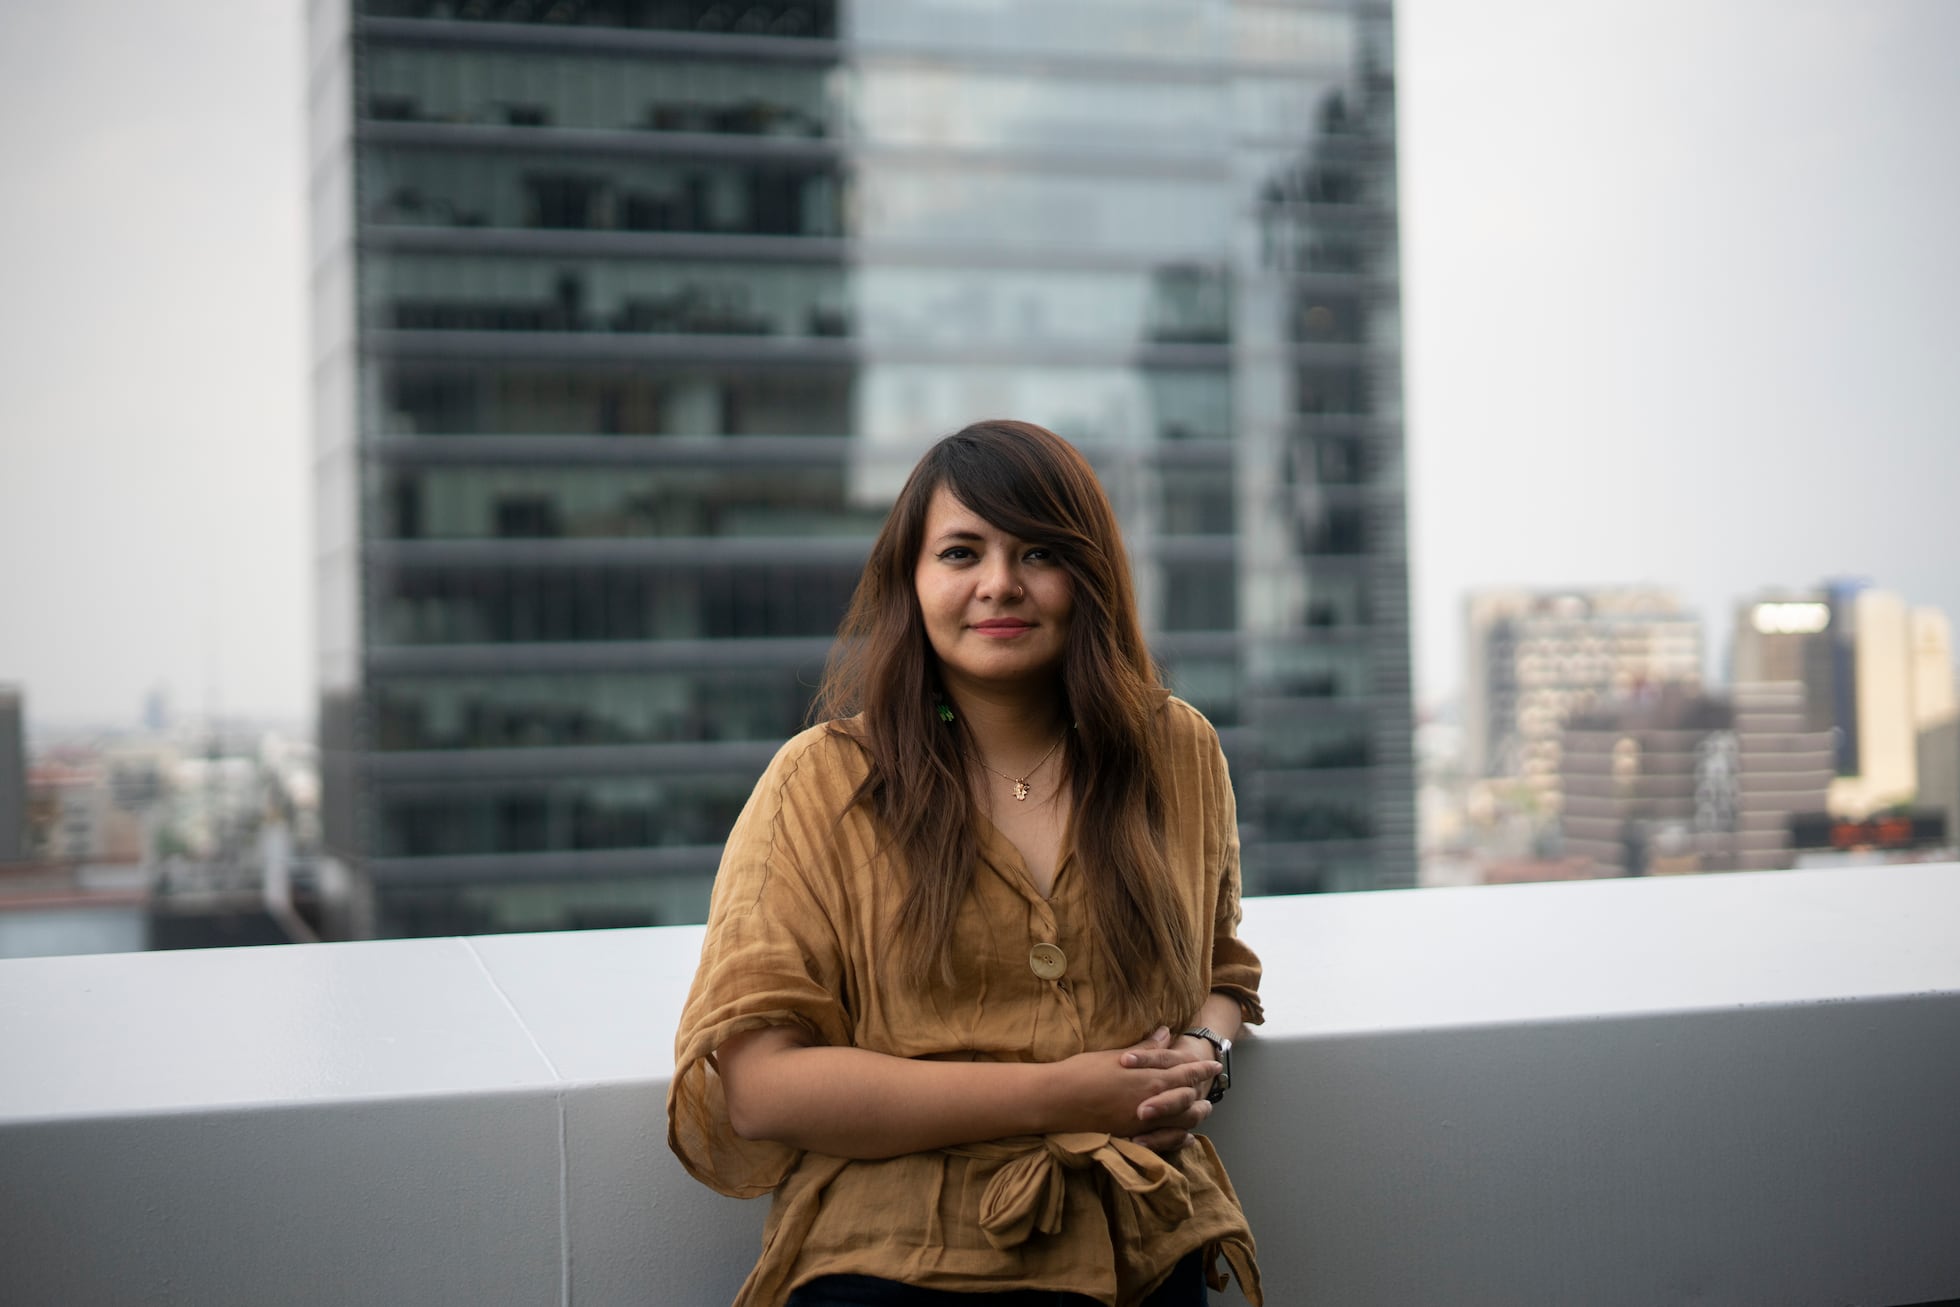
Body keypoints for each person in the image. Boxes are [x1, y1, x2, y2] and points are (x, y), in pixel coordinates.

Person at [668, 420, 1264, 1306]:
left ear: (1089, 574)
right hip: (895, 1265)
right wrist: (1060, 1095)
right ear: (911, 581)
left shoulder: (1175, 749)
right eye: (960, 552)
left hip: (1140, 1253)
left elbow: (1221, 963)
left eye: (1037, 552)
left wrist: (1201, 1053)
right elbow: (759, 1087)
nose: (999, 585)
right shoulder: (820, 781)